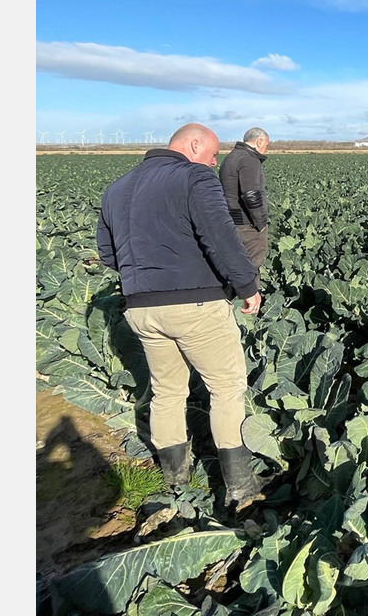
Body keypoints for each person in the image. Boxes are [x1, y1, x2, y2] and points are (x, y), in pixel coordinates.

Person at [96, 122, 265, 509]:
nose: (215, 162)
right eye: (212, 154)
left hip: (140, 308)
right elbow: (220, 238)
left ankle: (175, 480)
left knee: (167, 392)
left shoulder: (116, 189)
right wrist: (247, 286)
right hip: (195, 305)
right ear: (193, 144)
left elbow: (108, 254)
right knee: (226, 387)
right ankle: (241, 488)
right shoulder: (194, 178)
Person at [218, 127, 272, 272]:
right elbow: (251, 194)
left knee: (234, 269)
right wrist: (261, 223)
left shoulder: (231, 156)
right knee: (250, 270)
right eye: (266, 145)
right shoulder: (249, 159)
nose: (266, 149)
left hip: (231, 221)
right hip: (248, 226)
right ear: (259, 141)